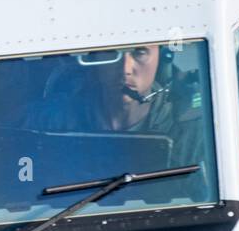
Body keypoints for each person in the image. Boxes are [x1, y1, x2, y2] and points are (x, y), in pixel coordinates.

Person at [21, 43, 206, 172]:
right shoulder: (44, 122)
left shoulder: (192, 132)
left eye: (139, 52)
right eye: (111, 52)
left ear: (162, 59)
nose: (125, 69)